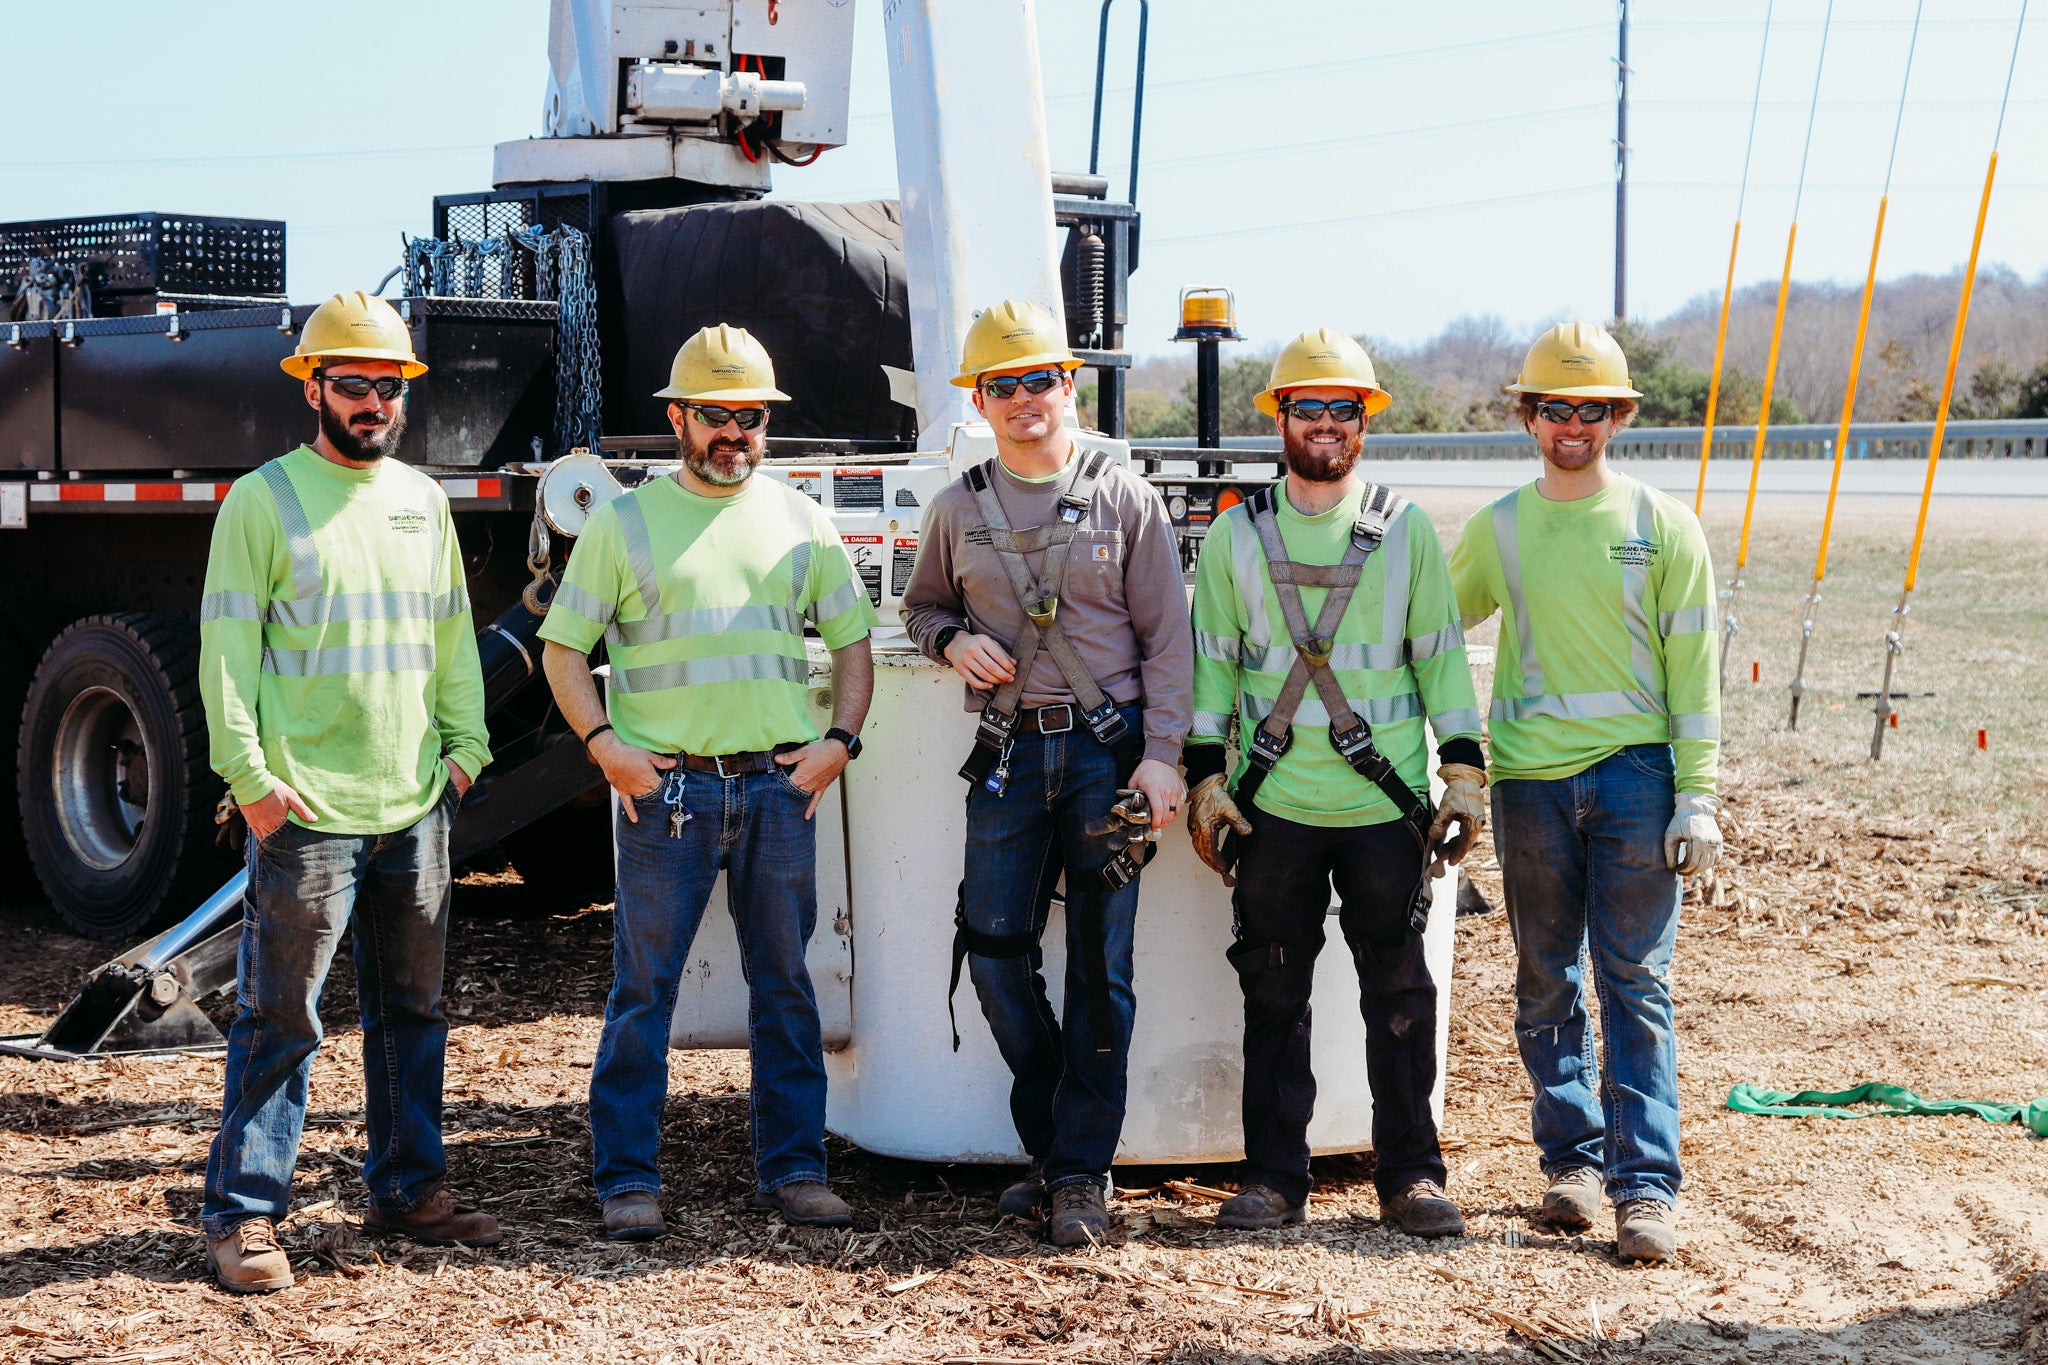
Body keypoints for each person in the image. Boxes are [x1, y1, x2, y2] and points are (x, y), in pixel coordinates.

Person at [539, 324, 877, 1241]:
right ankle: (627, 1179)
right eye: (716, 415)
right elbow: (563, 649)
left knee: (787, 986)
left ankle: (795, 1169)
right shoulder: (623, 524)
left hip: (777, 789)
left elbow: (852, 642)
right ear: (679, 419)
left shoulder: (802, 520)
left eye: (750, 416)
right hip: (669, 797)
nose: (735, 432)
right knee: (643, 991)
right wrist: (605, 746)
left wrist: (839, 740)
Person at [197, 291, 496, 1293]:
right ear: (313, 388)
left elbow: (451, 636)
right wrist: (252, 782)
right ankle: (244, 1217)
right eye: (354, 383)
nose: (374, 401)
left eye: (390, 385)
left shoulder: (420, 500)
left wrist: (465, 751)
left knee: (414, 1010)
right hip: (307, 811)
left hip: (413, 801)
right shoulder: (262, 502)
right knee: (283, 1019)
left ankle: (408, 1189)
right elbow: (226, 653)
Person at [1183, 329, 1487, 1238]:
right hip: (1273, 807)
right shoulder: (1235, 536)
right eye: (1307, 406)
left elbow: (1441, 660)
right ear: (1280, 417)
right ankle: (1274, 1177)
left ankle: (1412, 1175)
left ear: (1364, 421)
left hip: (1381, 808)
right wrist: (1205, 780)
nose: (1325, 422)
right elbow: (1211, 671)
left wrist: (1463, 772)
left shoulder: (1407, 531)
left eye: (1343, 408)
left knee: (1400, 996)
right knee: (1273, 994)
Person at [901, 299, 1191, 1247]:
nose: (1024, 398)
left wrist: (1161, 757)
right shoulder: (957, 509)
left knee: (1101, 968)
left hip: (1108, 756)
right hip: (1010, 755)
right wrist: (952, 644)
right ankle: (1060, 1138)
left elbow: (1169, 641)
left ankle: (1075, 1173)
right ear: (980, 401)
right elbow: (922, 608)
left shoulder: (1126, 500)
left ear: (1070, 386)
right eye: (1004, 385)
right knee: (993, 955)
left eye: (1040, 380)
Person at [1447, 321, 1722, 1263]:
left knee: (1636, 980)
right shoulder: (1499, 529)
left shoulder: (1663, 526)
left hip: (1638, 779)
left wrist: (1699, 794)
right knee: (1545, 976)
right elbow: (1430, 630)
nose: (1574, 424)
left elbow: (1696, 675)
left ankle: (1645, 1189)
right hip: (1530, 784)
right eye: (1557, 407)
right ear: (1529, 417)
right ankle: (1571, 1164)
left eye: (1593, 408)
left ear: (1618, 417)